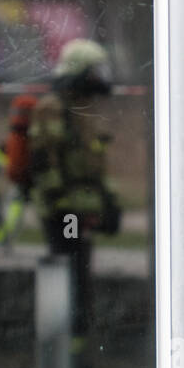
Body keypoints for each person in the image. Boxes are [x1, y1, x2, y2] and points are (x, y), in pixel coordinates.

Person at [28, 38, 121, 347]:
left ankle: (77, 349)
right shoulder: (52, 109)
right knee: (68, 279)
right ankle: (63, 349)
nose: (101, 78)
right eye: (96, 71)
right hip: (63, 214)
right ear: (81, 71)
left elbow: (94, 164)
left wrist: (108, 203)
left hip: (81, 213)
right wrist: (66, 209)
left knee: (81, 280)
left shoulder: (83, 110)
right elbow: (45, 164)